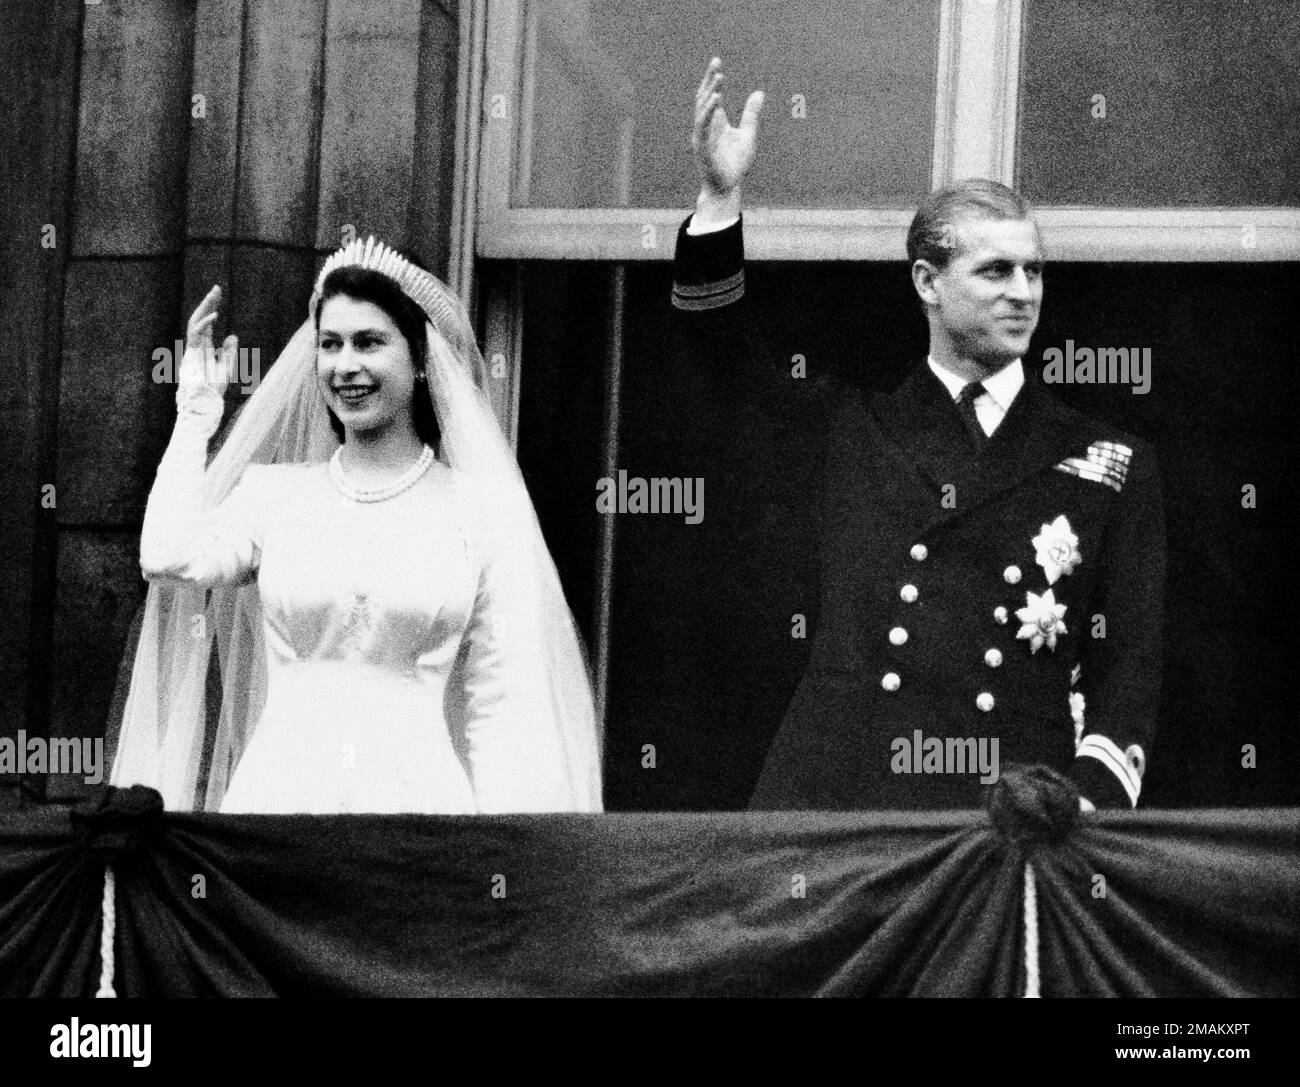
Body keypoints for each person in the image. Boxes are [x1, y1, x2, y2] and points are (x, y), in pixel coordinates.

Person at [671, 59, 1166, 811]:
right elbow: (725, 366)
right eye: (996, 271)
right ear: (928, 283)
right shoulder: (851, 429)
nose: (1023, 293)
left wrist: (1082, 801)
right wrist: (719, 198)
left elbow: (1129, 667)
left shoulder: (1108, 463)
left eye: (1034, 272)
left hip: (1008, 817)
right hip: (843, 810)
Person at [109, 237, 602, 814]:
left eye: (369, 343)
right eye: (330, 345)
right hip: (276, 809)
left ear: (420, 360)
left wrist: (492, 858)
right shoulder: (276, 496)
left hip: (419, 820)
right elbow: (166, 555)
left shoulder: (482, 513)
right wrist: (195, 414)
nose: (346, 366)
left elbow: (503, 703)